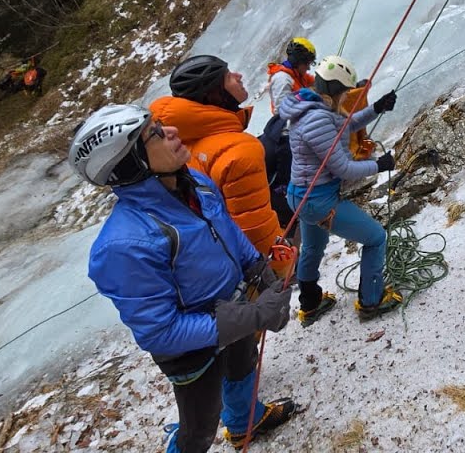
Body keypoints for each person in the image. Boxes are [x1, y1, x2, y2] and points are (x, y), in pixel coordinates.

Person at [72, 103, 297, 451]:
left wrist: (258, 269)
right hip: (193, 350)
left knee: (242, 367)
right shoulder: (124, 245)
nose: (173, 132)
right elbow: (160, 332)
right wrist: (252, 316)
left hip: (234, 309)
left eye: (161, 124)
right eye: (156, 134)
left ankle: (245, 423)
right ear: (132, 163)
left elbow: (226, 230)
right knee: (200, 426)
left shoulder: (195, 184)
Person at [279, 55, 402, 326]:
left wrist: (376, 108)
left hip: (301, 196)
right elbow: (344, 169)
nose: (347, 95)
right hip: (318, 200)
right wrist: (379, 165)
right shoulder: (318, 119)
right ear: (336, 90)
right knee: (375, 237)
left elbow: (344, 125)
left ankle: (310, 304)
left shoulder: (311, 106)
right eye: (345, 91)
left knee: (313, 246)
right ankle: (371, 300)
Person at [150, 55, 291, 276]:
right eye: (228, 76)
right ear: (214, 93)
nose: (239, 76)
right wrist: (284, 265)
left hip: (213, 266)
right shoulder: (239, 149)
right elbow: (256, 228)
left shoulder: (175, 141)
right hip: (254, 269)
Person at [261, 38, 317, 230]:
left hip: (295, 132)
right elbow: (282, 109)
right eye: (307, 62)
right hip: (285, 136)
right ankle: (286, 218)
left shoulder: (296, 75)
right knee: (284, 180)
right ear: (299, 61)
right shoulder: (282, 79)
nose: (308, 67)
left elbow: (315, 82)